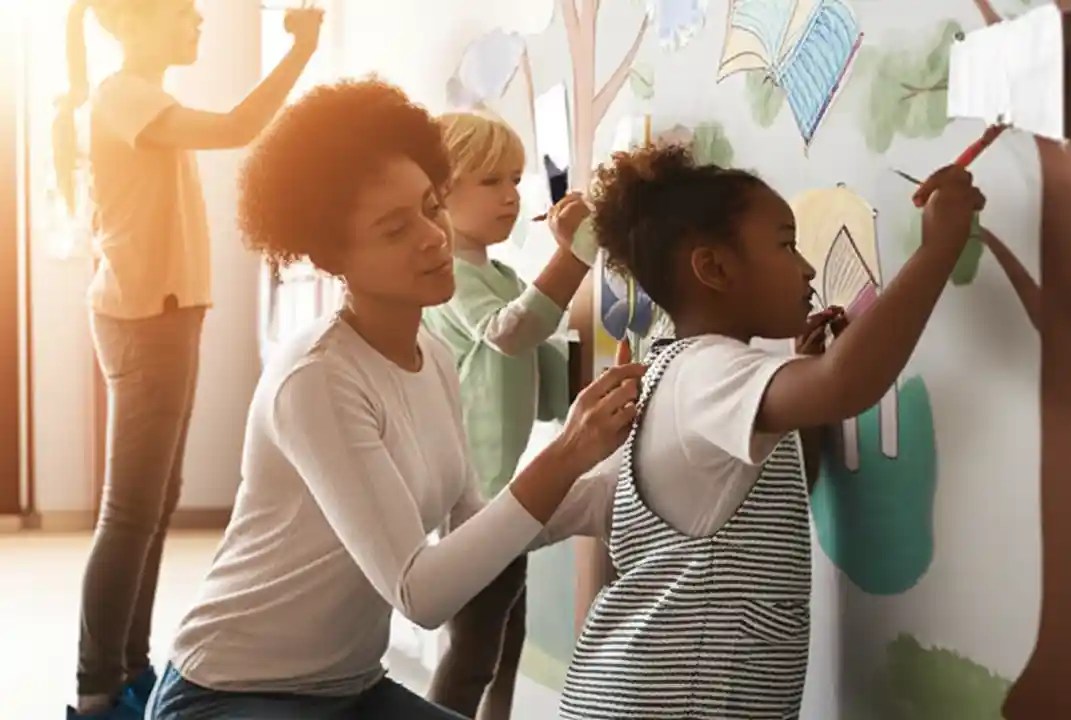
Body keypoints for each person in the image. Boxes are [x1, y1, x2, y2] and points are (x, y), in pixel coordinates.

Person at [145, 77, 643, 720]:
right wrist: (569, 454)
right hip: (230, 693)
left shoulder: (431, 356)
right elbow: (420, 593)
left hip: (349, 687)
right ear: (332, 257)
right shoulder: (317, 380)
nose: (433, 237)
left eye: (432, 207)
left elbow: (473, 526)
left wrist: (610, 495)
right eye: (393, 228)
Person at [539, 144, 986, 718]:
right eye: (785, 243)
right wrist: (939, 246)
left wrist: (808, 386)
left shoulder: (693, 374)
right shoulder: (707, 373)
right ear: (715, 269)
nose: (807, 267)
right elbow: (848, 384)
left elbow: (783, 490)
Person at [59, 1, 324, 717]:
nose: (199, 21)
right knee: (130, 512)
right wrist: (301, 51)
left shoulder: (139, 96)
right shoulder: (124, 95)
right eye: (185, 11)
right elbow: (238, 127)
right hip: (145, 319)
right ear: (135, 23)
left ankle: (125, 669)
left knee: (152, 505)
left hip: (165, 314)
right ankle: (93, 692)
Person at [419, 111, 595, 720]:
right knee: (474, 649)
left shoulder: (497, 273)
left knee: (501, 636)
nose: (512, 196)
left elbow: (543, 375)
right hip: (474, 497)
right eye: (491, 180)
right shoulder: (452, 277)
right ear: (440, 192)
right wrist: (575, 256)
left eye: (516, 180)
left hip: (502, 491)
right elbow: (510, 332)